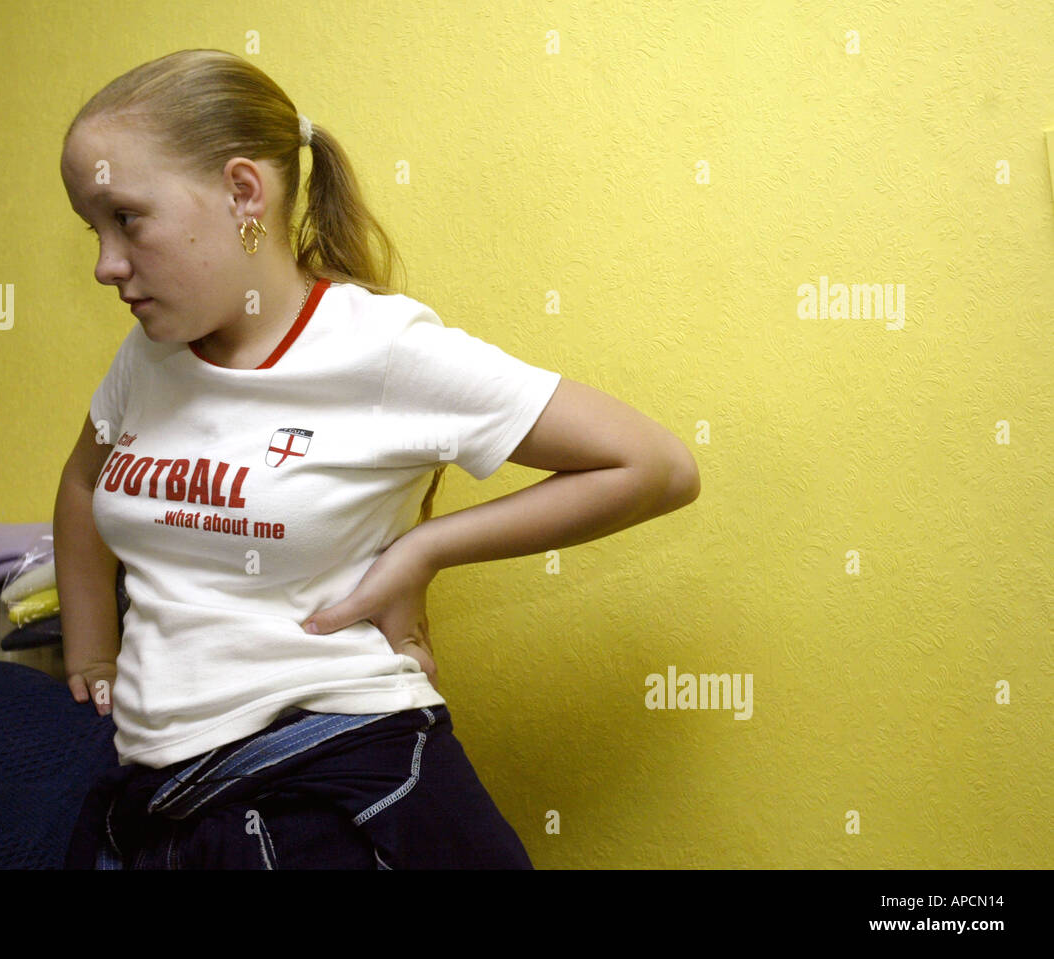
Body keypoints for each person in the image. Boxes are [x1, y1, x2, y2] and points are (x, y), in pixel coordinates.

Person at [55, 49, 701, 870]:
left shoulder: (380, 349)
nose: (106, 264)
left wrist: (422, 549)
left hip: (338, 773)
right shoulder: (145, 359)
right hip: (163, 800)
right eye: (94, 229)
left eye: (127, 218)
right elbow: (84, 485)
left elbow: (654, 466)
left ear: (243, 192)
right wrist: (91, 653)